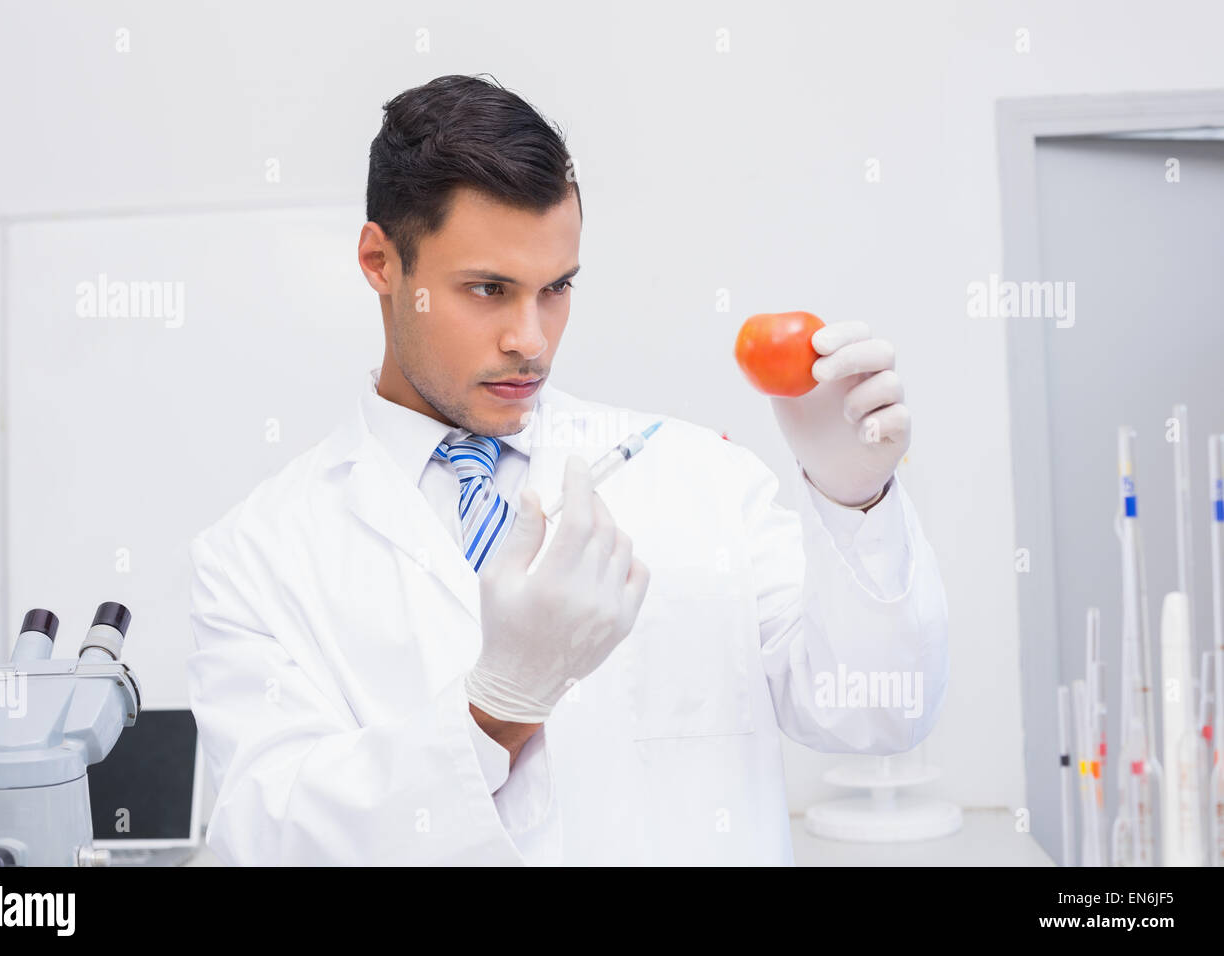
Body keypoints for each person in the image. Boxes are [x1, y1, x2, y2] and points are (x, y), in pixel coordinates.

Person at [186, 73, 949, 865]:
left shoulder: (698, 479)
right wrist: (497, 710)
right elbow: (271, 840)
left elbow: (876, 716)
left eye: (556, 289)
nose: (531, 340)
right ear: (381, 262)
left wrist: (854, 498)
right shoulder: (257, 556)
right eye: (488, 289)